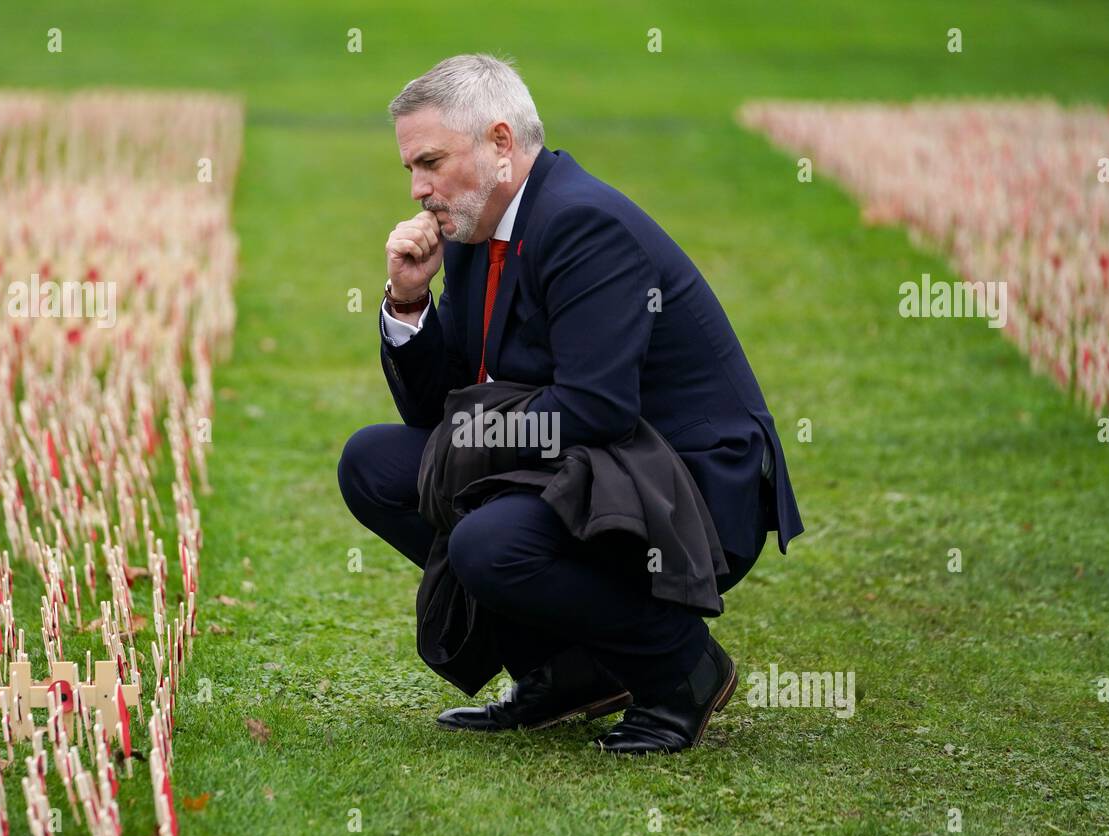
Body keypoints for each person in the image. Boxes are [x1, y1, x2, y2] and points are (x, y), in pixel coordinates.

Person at [338, 53, 803, 754]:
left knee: (491, 543)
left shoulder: (582, 223)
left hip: (687, 485)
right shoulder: (474, 230)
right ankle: (570, 672)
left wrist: (468, 444)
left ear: (500, 145)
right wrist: (408, 302)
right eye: (410, 168)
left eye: (430, 161)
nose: (418, 189)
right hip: (597, 460)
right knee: (372, 464)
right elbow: (438, 412)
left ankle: (683, 669)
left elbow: (596, 408)